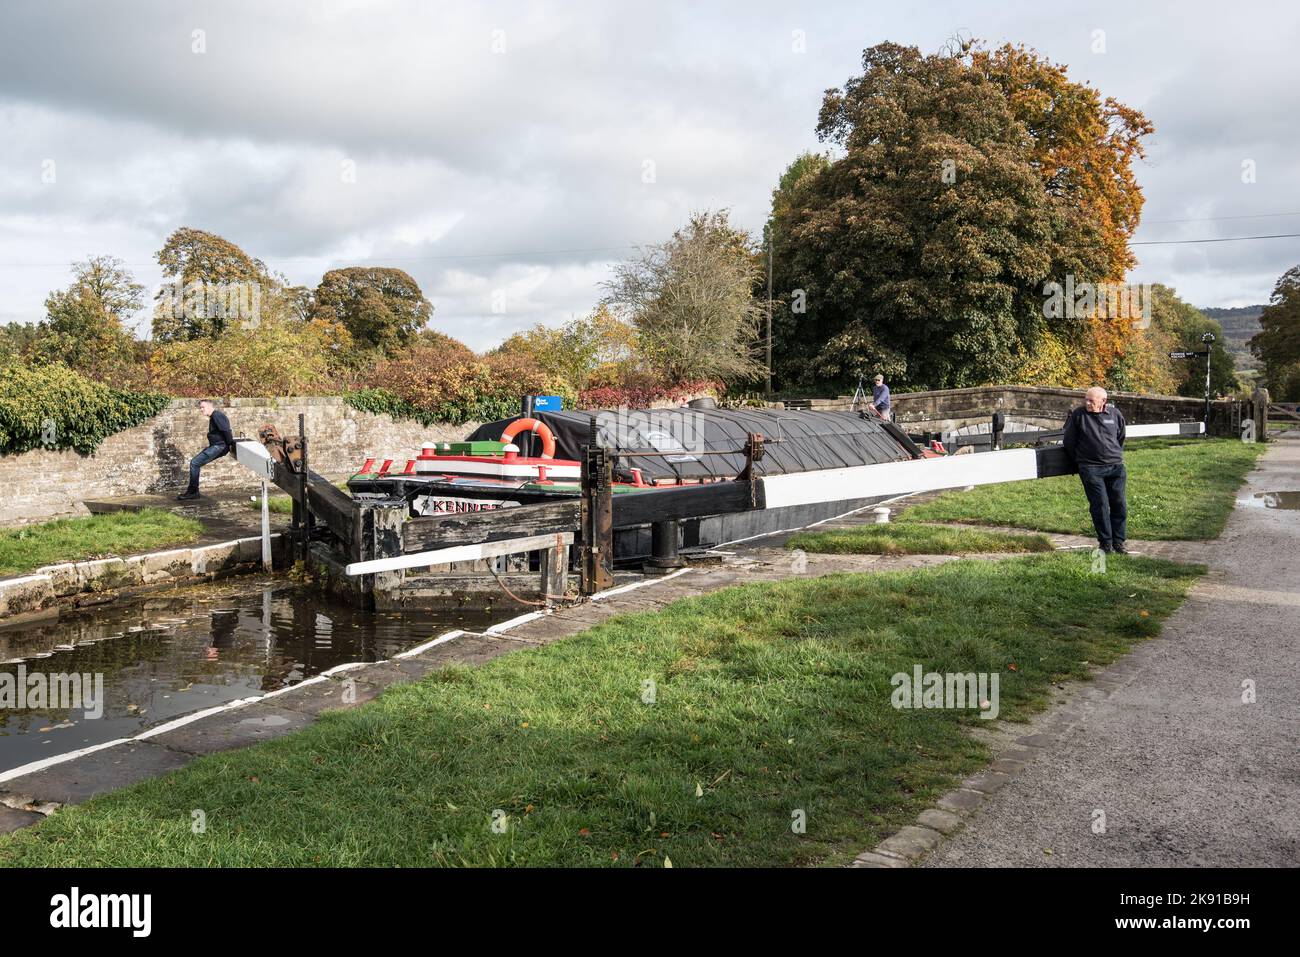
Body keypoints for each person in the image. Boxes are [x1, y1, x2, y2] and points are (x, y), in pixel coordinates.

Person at [1063, 386, 1128, 554]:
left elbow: (1120, 436)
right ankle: (1105, 543)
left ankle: (1119, 542)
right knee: (1100, 505)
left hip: (1116, 467)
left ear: (1103, 401)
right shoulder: (1078, 415)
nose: (1087, 403)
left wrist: (1114, 455)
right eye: (1086, 399)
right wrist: (1081, 461)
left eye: (1091, 400)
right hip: (1091, 468)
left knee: (1119, 504)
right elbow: (1069, 441)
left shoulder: (1115, 414)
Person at [178, 399, 234, 500]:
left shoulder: (217, 415)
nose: (201, 409)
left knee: (195, 463)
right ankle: (193, 491)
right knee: (196, 463)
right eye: (200, 407)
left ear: (209, 406)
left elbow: (226, 430)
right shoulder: (214, 416)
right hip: (217, 446)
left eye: (202, 407)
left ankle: (193, 492)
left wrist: (231, 445)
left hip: (219, 446)